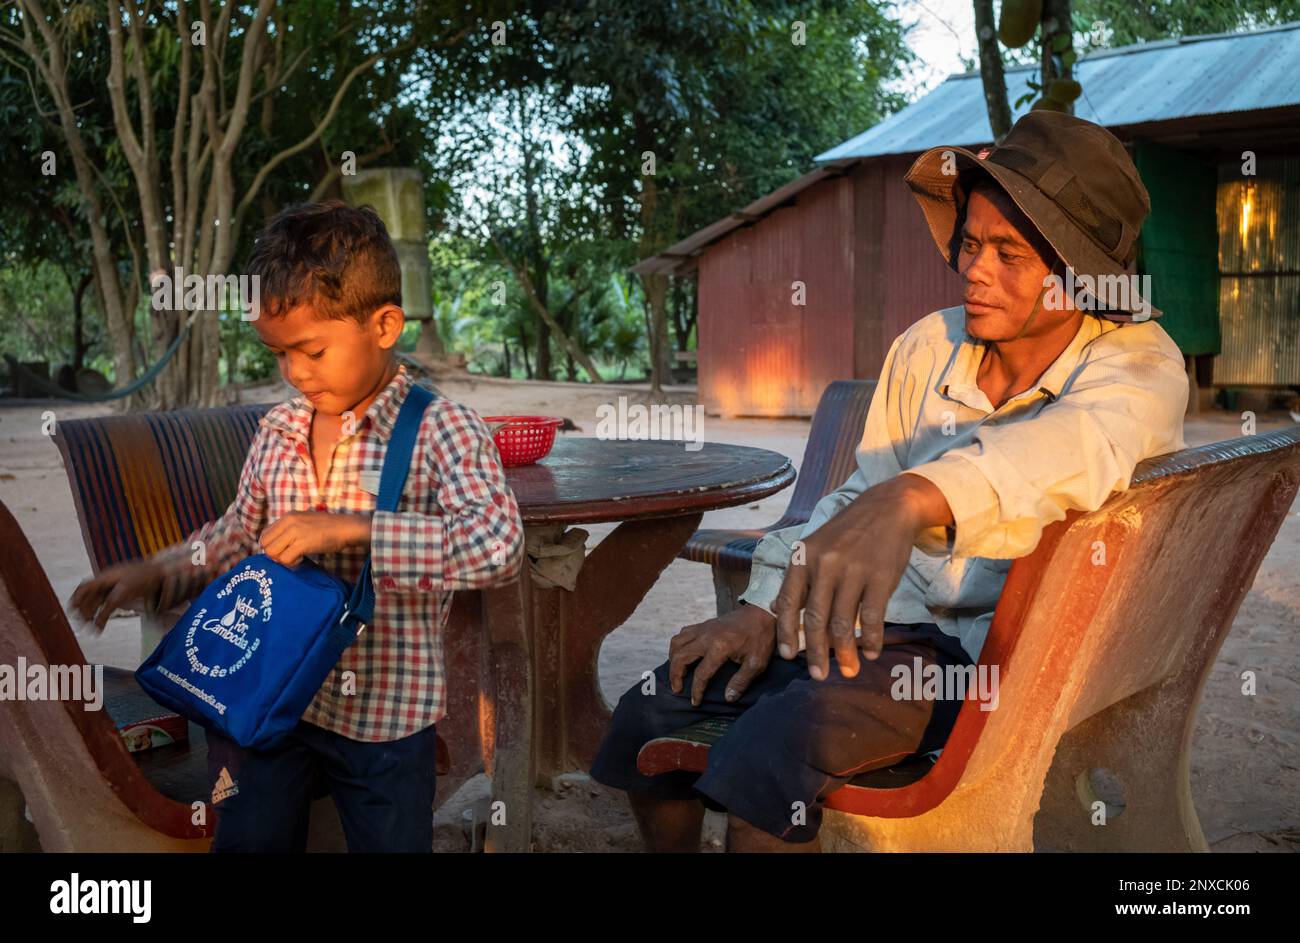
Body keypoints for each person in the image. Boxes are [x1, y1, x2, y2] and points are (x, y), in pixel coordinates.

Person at [590, 111, 1190, 851]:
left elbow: (1070, 449)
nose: (975, 269)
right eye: (971, 242)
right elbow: (855, 494)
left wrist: (914, 496)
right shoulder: (929, 345)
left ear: (1076, 275)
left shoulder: (1137, 366)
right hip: (867, 628)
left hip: (975, 663)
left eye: (1009, 253)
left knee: (764, 760)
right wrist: (763, 606)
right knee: (652, 708)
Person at [70, 201, 525, 852]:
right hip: (266, 705)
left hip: (385, 720)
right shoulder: (280, 428)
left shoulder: (441, 429)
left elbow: (498, 547)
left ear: (385, 324)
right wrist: (163, 567)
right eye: (278, 354)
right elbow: (237, 532)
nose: (294, 373)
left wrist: (351, 528)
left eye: (311, 350)